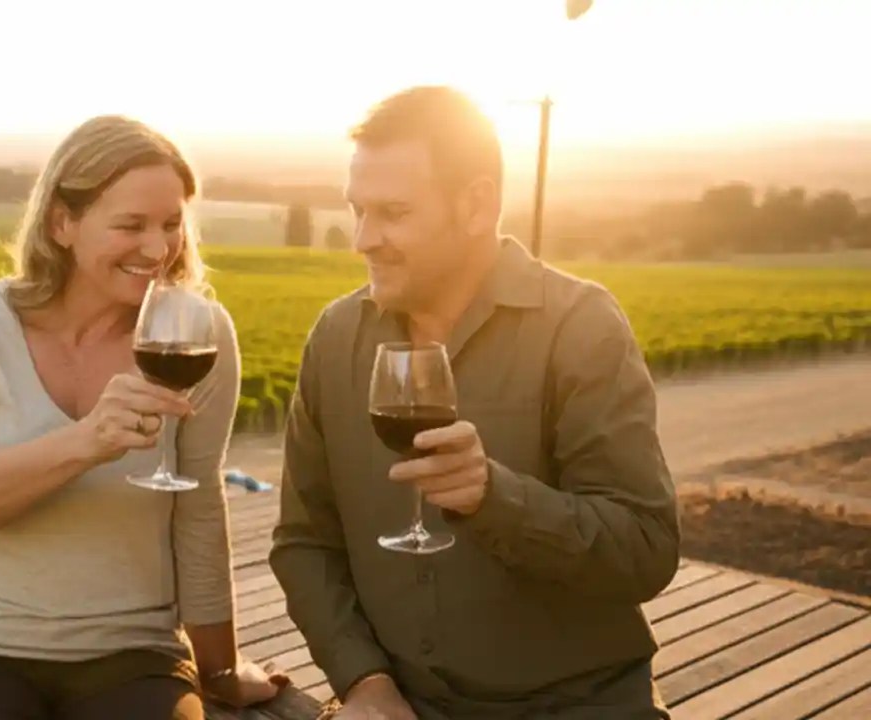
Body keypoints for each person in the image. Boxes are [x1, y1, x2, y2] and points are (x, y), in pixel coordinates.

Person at [269, 86, 680, 719]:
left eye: (393, 212)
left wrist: (494, 498)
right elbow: (304, 542)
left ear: (476, 205)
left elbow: (645, 552)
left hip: (576, 707)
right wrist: (363, 681)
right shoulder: (336, 338)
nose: (363, 239)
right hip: (403, 704)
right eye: (358, 210)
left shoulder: (580, 327)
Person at [0, 114, 288, 720]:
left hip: (133, 653)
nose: (158, 249)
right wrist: (85, 442)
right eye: (131, 225)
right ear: (61, 223)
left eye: (171, 224)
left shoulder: (198, 332)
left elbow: (199, 505)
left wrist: (221, 672)